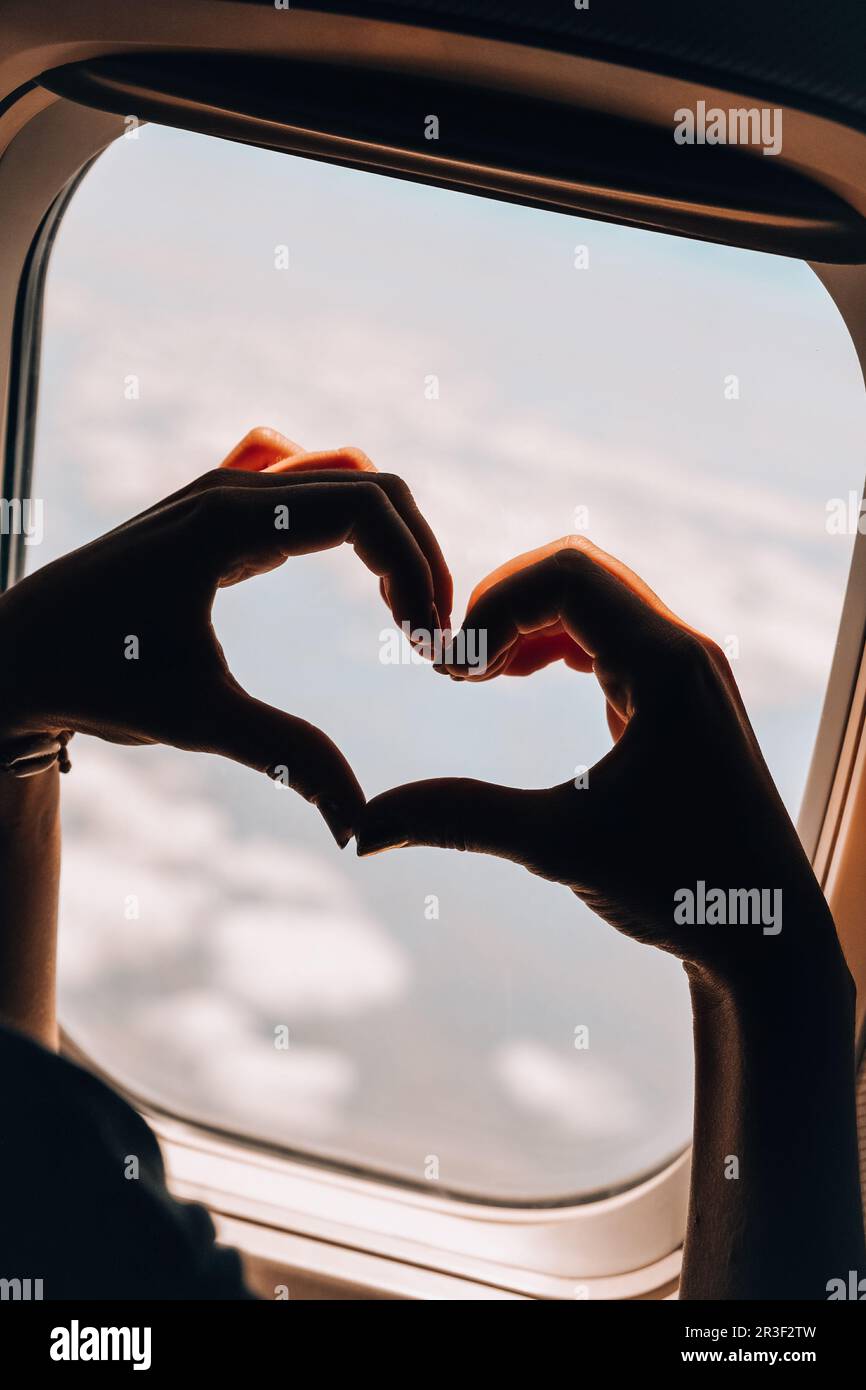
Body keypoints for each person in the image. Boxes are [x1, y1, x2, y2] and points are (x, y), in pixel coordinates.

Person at [0, 428, 862, 1300]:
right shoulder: (108, 1237)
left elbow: (31, 1168)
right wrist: (777, 979)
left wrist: (14, 706)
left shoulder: (55, 1200)